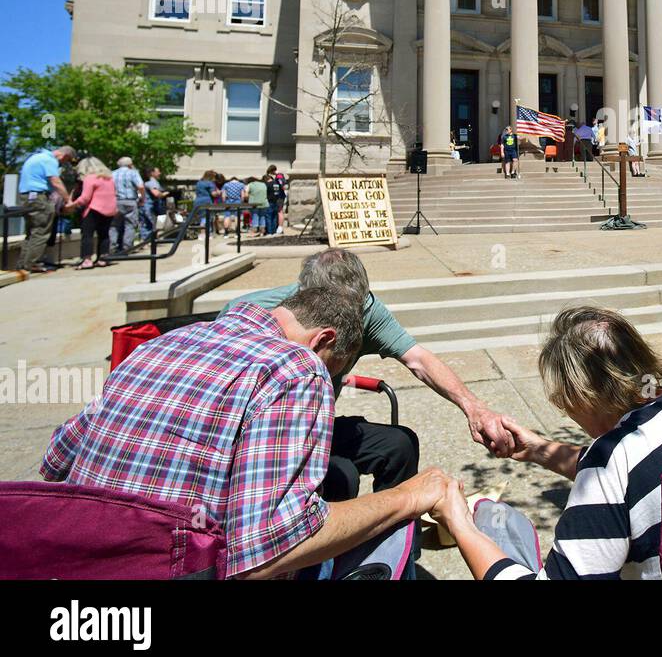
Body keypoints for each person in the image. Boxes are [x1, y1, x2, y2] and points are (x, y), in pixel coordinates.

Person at [42, 287, 451, 579]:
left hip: (79, 558)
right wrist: (408, 497)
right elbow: (266, 552)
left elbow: (56, 459)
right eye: (333, 368)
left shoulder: (161, 344)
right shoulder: (296, 366)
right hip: (175, 565)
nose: (330, 380)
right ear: (322, 340)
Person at [425, 306, 662, 579]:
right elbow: (635, 475)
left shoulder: (608, 463)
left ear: (582, 396)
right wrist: (537, 449)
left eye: (564, 401)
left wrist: (459, 523)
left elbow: (615, 474)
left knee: (498, 529)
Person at [222, 249, 516, 501]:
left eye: (354, 310)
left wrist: (476, 410)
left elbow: (419, 359)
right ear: (308, 297)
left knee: (399, 445)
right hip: (256, 437)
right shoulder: (252, 313)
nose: (349, 321)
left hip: (318, 426)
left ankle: (394, 552)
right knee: (341, 476)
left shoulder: (365, 309)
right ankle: (326, 561)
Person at [15, 145, 76, 279]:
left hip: (26, 197)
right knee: (41, 231)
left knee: (32, 232)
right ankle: (31, 264)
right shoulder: (50, 161)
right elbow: (55, 181)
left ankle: (23, 264)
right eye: (66, 161)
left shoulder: (36, 157)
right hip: (38, 197)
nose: (63, 164)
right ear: (65, 156)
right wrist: (68, 200)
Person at [65, 157, 117, 270]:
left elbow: (85, 198)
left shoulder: (90, 178)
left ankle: (87, 259)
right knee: (104, 235)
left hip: (94, 209)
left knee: (87, 235)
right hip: (110, 210)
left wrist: (72, 205)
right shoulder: (110, 179)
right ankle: (103, 258)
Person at [108, 157, 145, 254]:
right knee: (130, 224)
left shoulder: (112, 173)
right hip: (130, 201)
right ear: (130, 164)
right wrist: (142, 198)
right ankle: (127, 248)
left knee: (114, 225)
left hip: (116, 201)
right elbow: (140, 186)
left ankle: (112, 247)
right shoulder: (133, 172)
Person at [264, 166, 287, 235]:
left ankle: (279, 228)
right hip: (278, 197)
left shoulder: (279, 175)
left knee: (280, 211)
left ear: (272, 171)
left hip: (280, 197)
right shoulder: (277, 176)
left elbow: (282, 184)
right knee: (276, 213)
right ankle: (276, 228)